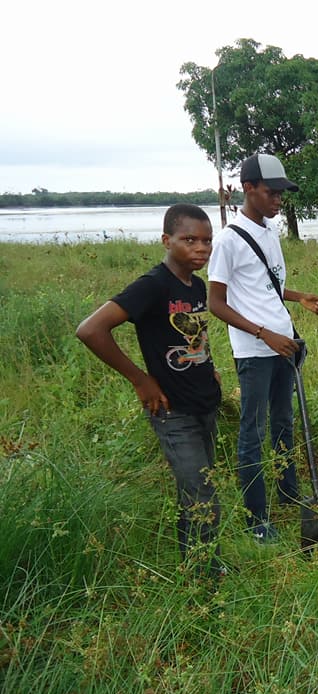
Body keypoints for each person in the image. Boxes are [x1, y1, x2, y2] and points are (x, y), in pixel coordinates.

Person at [76, 204, 223, 576]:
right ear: (166, 240)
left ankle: (201, 565)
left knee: (197, 490)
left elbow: (195, 335)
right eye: (189, 239)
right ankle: (201, 578)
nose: (200, 248)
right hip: (174, 411)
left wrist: (210, 366)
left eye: (206, 240)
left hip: (204, 401)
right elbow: (91, 330)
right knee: (202, 496)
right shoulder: (153, 285)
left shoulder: (196, 285)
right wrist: (140, 379)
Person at [207, 153, 318, 543]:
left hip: (284, 347)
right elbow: (216, 303)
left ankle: (288, 491)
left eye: (282, 193)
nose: (279, 200)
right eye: (271, 192)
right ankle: (255, 518)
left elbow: (267, 287)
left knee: (283, 423)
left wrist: (299, 297)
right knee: (252, 432)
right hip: (256, 353)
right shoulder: (228, 240)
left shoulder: (269, 232)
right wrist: (263, 334)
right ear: (248, 189)